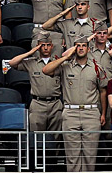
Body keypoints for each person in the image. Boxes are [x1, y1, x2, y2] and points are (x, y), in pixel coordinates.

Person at [42, 36, 107, 173]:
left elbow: (102, 91)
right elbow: (46, 70)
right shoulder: (65, 66)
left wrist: (103, 114)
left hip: (91, 112)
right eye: (78, 45)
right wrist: (65, 57)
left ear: (88, 49)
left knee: (90, 155)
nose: (81, 48)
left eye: (84, 45)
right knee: (72, 155)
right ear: (74, 48)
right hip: (71, 113)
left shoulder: (96, 67)